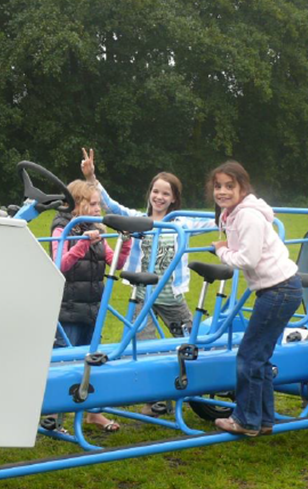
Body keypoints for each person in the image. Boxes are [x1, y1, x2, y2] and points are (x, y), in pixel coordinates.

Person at [80, 148, 216, 415]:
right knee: (145, 347)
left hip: (171, 297)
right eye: (156, 191)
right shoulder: (139, 219)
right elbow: (112, 206)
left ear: (174, 198)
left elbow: (215, 221)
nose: (159, 197)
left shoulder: (181, 222)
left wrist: (246, 210)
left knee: (190, 341)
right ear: (150, 193)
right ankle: (155, 399)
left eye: (166, 193)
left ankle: (201, 385)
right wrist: (91, 178)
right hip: (142, 296)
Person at [209, 161, 302, 437]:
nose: (222, 191)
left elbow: (247, 259)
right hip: (280, 288)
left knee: (249, 356)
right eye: (218, 186)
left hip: (278, 289)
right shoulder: (234, 214)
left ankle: (246, 420)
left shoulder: (247, 215)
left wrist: (221, 251)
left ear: (243, 187)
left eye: (229, 186)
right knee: (259, 357)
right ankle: (263, 420)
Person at [49, 179, 132, 432]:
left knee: (91, 361)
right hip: (68, 308)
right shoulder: (62, 227)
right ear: (77, 204)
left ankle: (93, 413)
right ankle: (52, 414)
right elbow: (59, 265)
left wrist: (126, 243)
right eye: (94, 204)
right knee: (64, 361)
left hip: (92, 307)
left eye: (99, 204)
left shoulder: (96, 229)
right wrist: (82, 243)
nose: (99, 209)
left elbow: (115, 263)